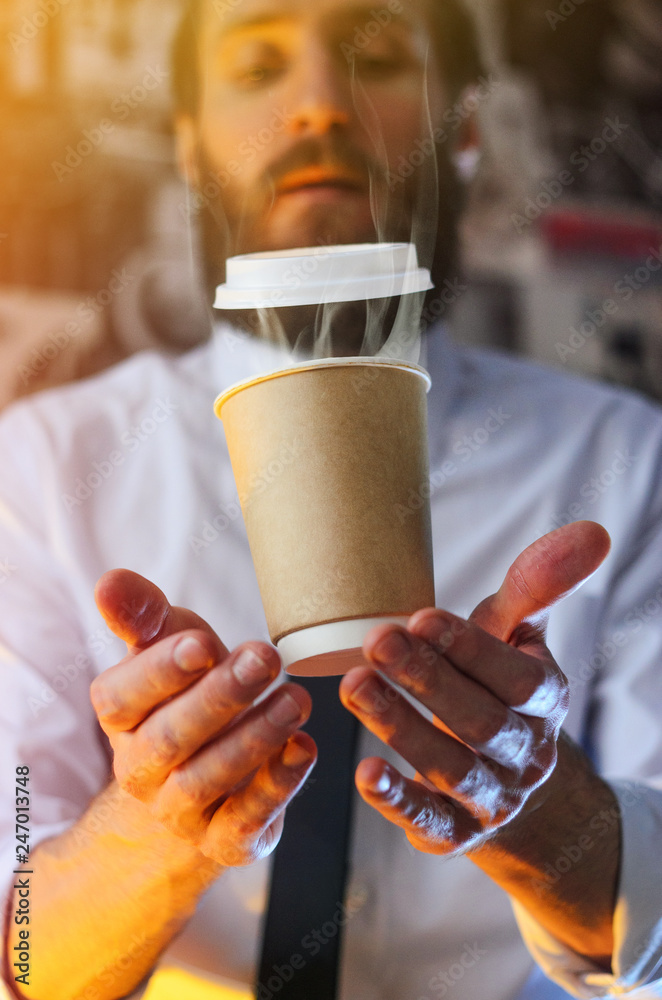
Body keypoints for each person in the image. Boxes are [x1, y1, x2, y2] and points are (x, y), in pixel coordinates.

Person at [1, 1, 662, 998]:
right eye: (258, 65)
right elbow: (16, 952)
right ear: (186, 144)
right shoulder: (44, 464)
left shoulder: (623, 457)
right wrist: (154, 836)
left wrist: (539, 813)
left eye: (376, 55)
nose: (318, 105)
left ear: (465, 129)